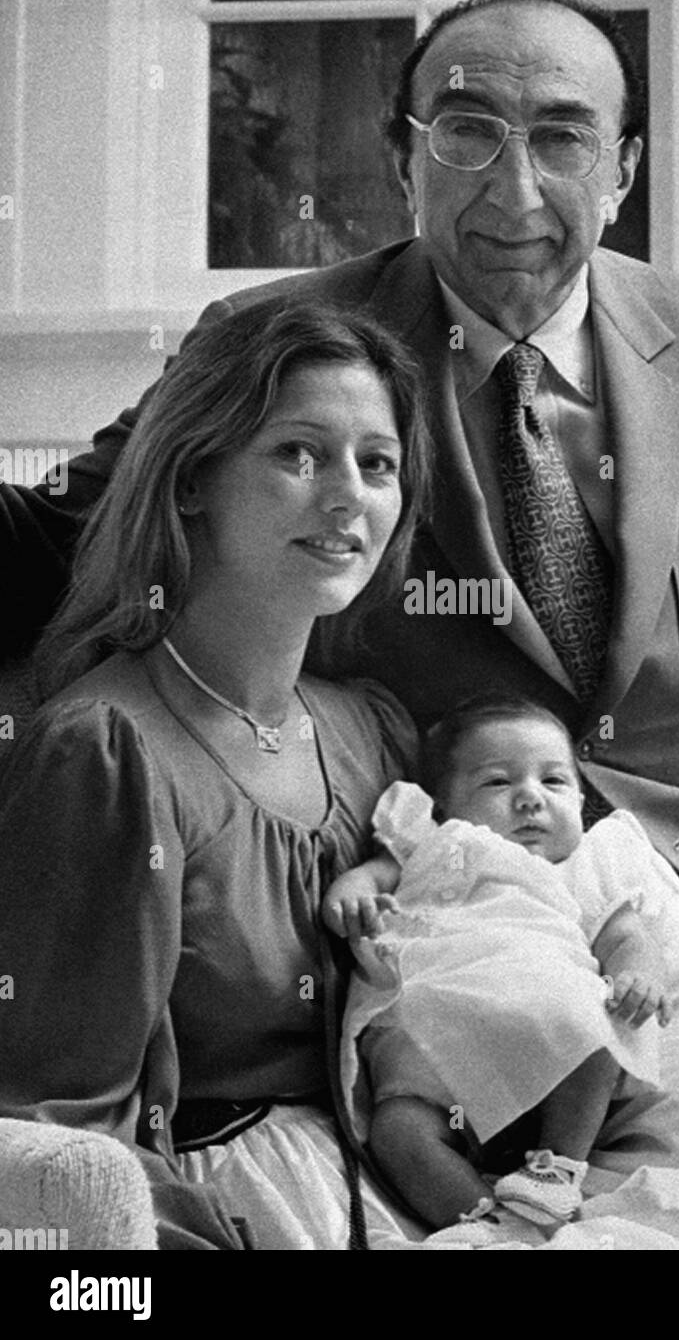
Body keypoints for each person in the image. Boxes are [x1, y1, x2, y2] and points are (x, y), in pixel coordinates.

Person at [5, 0, 679, 1223]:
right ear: (403, 155)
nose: (514, 188)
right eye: (466, 129)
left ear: (623, 168)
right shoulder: (295, 348)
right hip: (477, 949)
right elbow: (65, 531)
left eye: (560, 137)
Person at [0, 295, 434, 1249]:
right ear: (193, 476)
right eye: (299, 453)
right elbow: (62, 1143)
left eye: (379, 463)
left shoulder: (373, 732)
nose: (348, 496)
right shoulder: (107, 755)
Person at [324, 695, 670, 1240]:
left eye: (554, 782)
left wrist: (637, 976)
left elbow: (628, 937)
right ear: (443, 805)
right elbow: (367, 878)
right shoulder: (431, 841)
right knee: (397, 1132)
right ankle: (489, 1223)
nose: (530, 798)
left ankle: (554, 1172)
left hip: (548, 1051)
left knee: (599, 1030)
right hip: (439, 1048)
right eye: (497, 783)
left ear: (581, 799)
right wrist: (353, 899)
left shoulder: (582, 867)